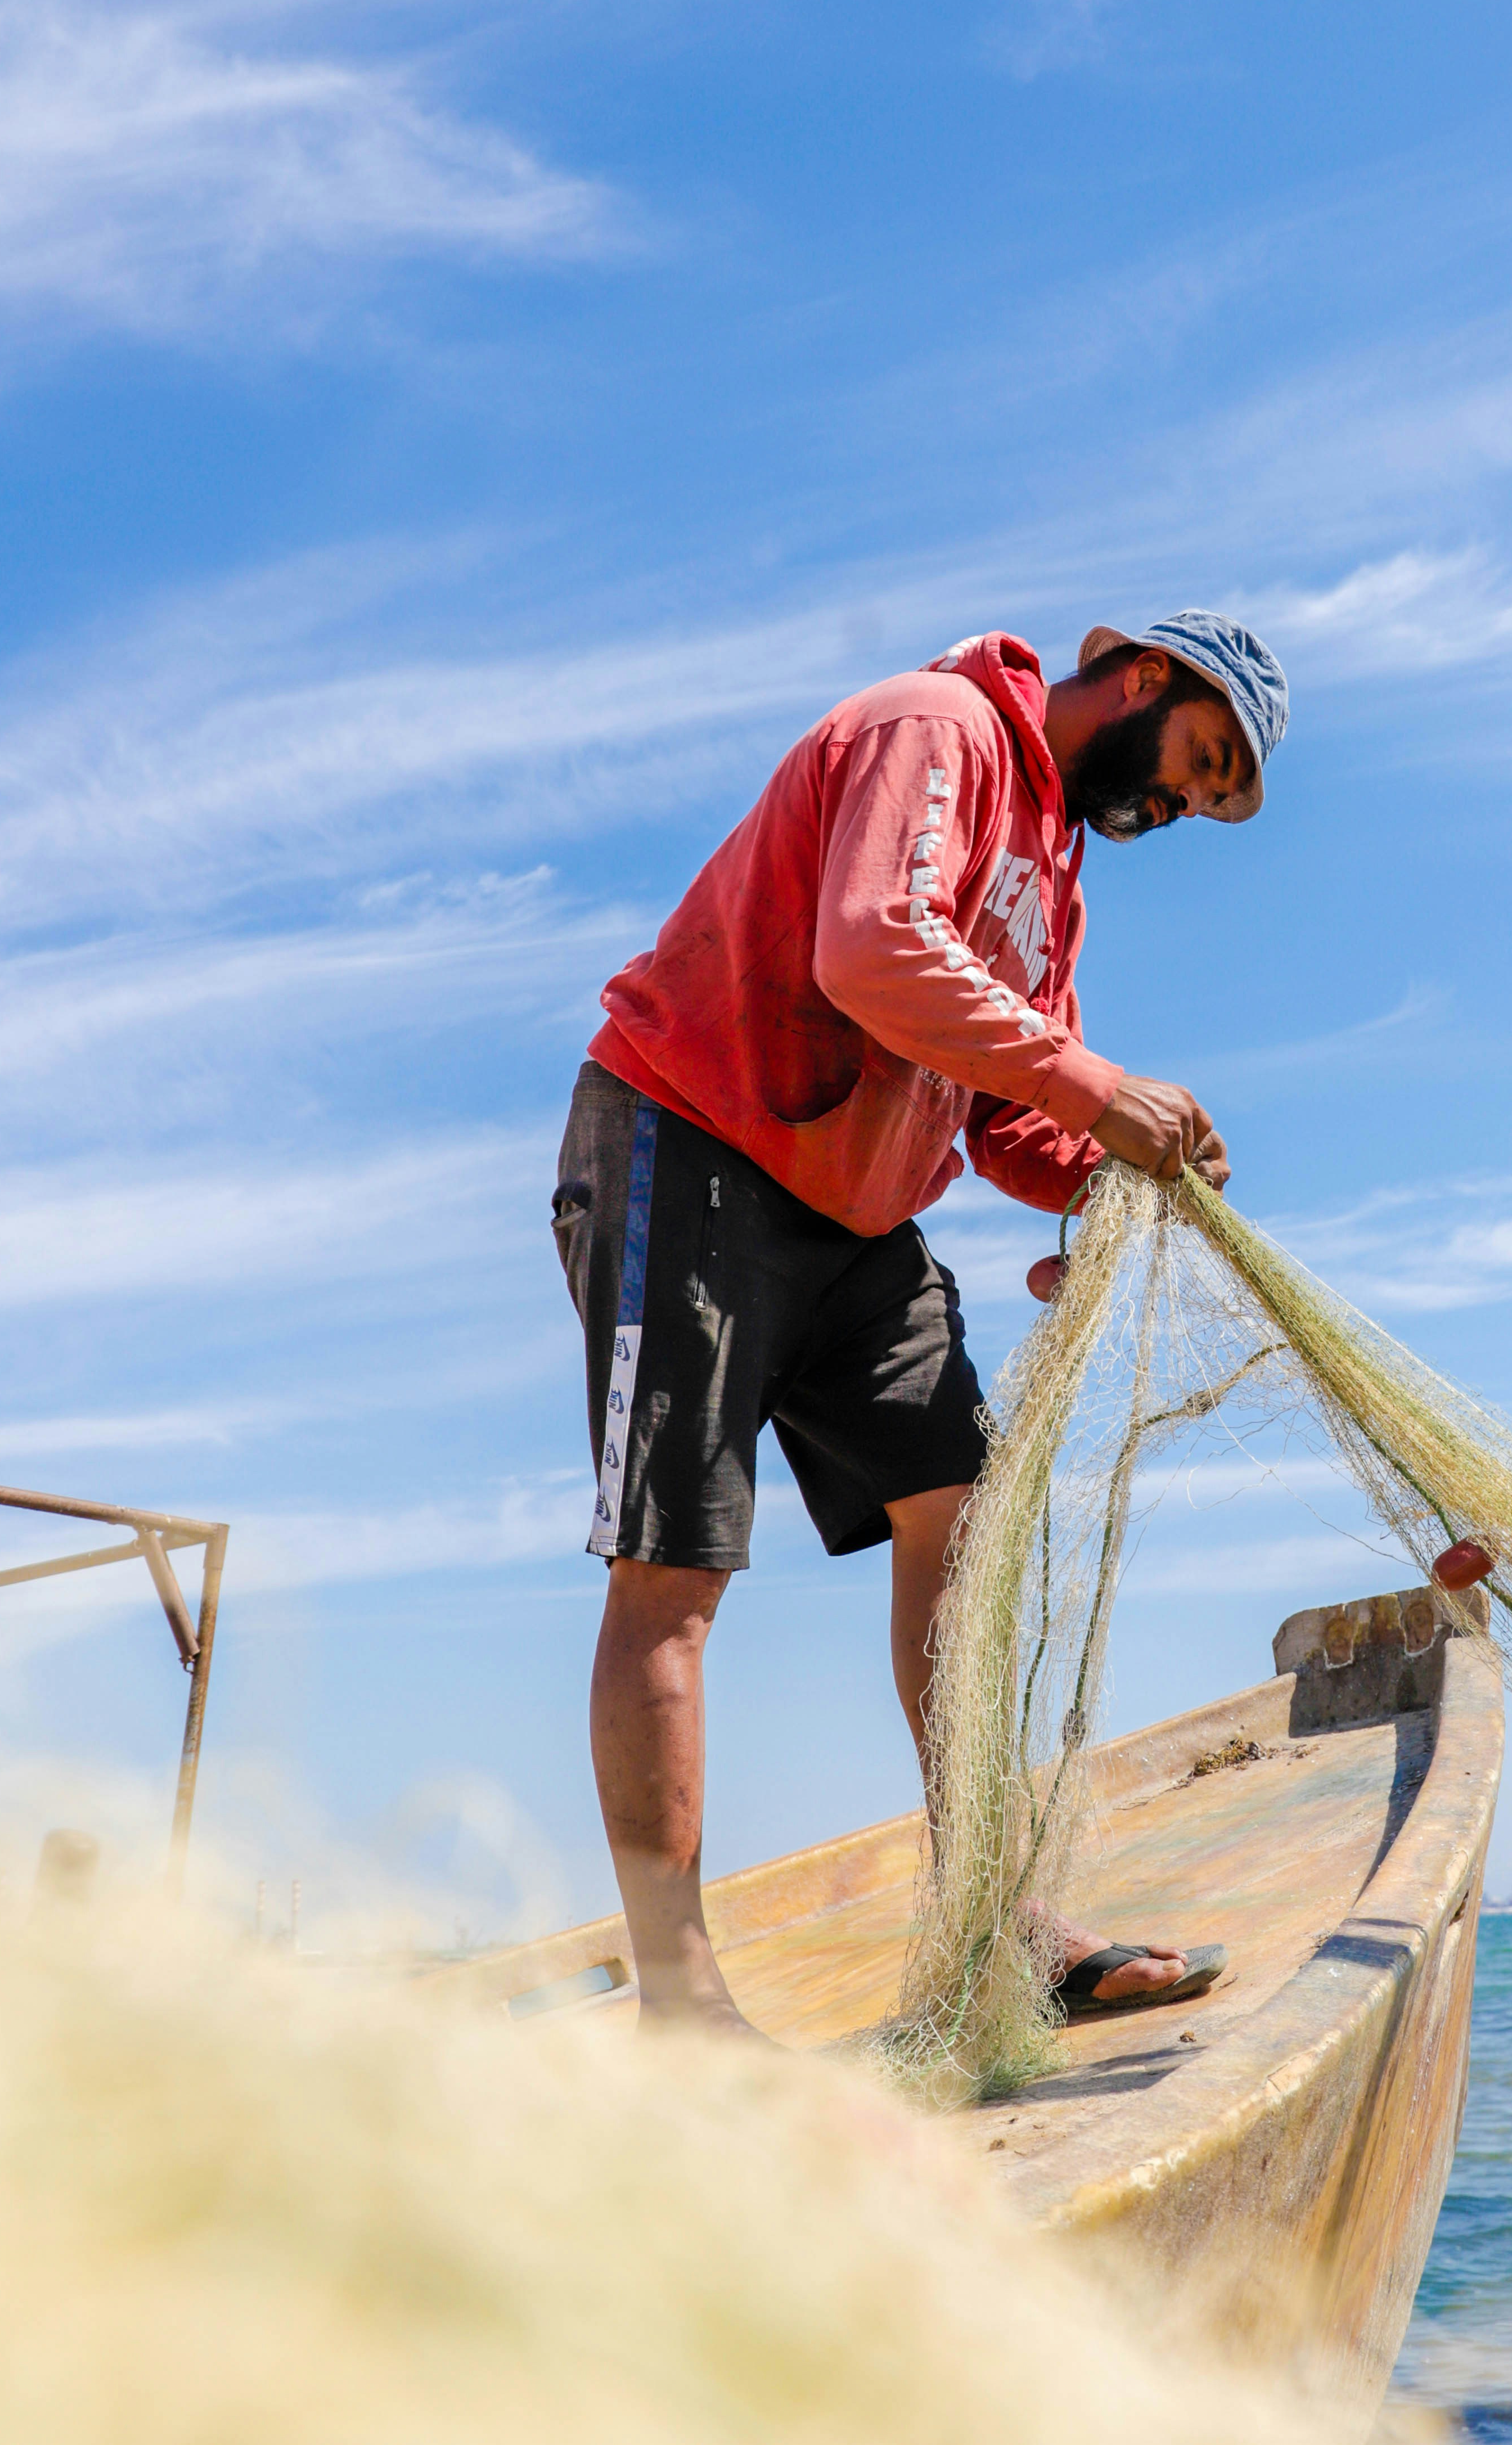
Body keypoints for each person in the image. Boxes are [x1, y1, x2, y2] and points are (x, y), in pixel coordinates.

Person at [551, 611, 1289, 2030]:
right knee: (675, 1572)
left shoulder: (1054, 879)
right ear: (1143, 677)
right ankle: (680, 1998)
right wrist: (1094, 1087)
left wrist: (1114, 1177)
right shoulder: (932, 730)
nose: (1174, 805)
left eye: (1201, 805)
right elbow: (871, 950)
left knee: (962, 1520)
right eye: (1194, 762)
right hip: (687, 1143)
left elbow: (1012, 1117)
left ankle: (998, 1921)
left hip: (861, 1211)